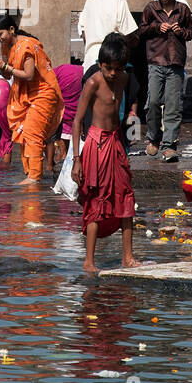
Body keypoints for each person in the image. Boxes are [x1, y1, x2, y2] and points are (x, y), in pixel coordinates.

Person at [71, 33, 139, 274]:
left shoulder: (124, 79)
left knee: (125, 195)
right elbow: (77, 121)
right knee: (95, 199)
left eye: (117, 69)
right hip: (95, 144)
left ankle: (128, 257)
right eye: (108, 68)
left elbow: (127, 107)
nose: (112, 73)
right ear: (100, 64)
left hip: (115, 142)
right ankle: (89, 261)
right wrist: (76, 161)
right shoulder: (93, 83)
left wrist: (126, 142)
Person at [0, 14, 65, 183]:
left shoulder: (27, 46)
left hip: (42, 94)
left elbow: (28, 75)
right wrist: (0, 67)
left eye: (0, 34)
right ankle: (29, 173)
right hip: (23, 95)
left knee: (32, 133)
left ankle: (35, 176)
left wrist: (4, 66)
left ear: (12, 29)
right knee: (22, 133)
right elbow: (7, 74)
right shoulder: (6, 46)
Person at [138, 0, 192, 162]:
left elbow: (191, 32)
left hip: (176, 63)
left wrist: (181, 31)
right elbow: (142, 30)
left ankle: (169, 145)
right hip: (156, 61)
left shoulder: (183, 10)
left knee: (173, 105)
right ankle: (153, 138)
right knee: (153, 102)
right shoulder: (150, 9)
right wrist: (156, 27)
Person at [77, 0, 137, 71]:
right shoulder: (120, 0)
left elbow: (84, 33)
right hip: (111, 60)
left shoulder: (90, 0)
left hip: (90, 60)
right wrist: (136, 40)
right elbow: (128, 33)